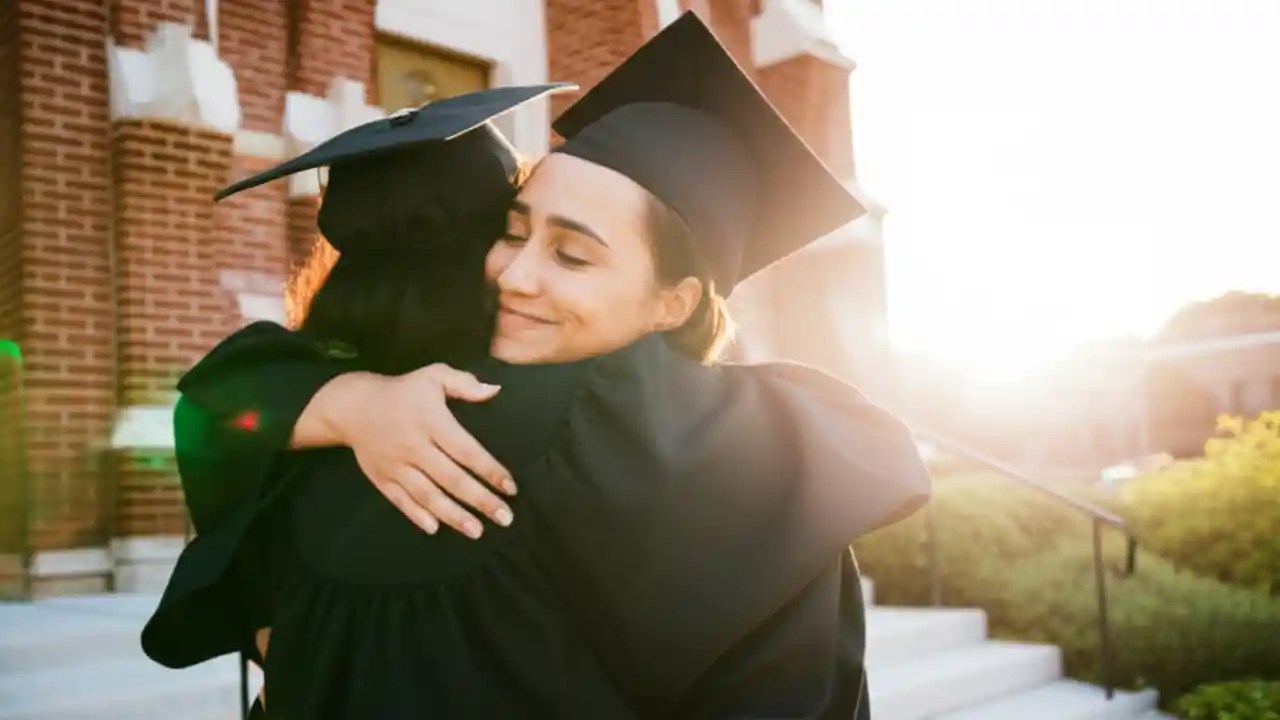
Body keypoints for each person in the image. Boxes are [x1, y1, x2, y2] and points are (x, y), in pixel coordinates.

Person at [145, 12, 930, 719]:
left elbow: (221, 403)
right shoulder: (771, 469)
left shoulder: (316, 446)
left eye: (573, 255)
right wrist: (354, 402)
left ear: (674, 300)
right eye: (514, 231)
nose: (516, 276)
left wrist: (340, 402)